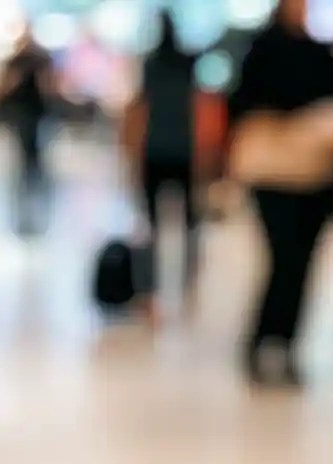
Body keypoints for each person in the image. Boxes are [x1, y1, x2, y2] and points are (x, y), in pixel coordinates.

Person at [227, 0, 333, 386]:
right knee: (282, 258)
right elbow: (242, 104)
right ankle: (263, 339)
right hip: (273, 174)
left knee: (303, 265)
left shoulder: (322, 54)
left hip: (314, 178)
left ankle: (288, 343)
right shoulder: (261, 49)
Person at [133, 14, 199, 319]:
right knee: (188, 225)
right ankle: (187, 285)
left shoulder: (151, 65)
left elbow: (140, 111)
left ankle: (150, 292)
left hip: (156, 151)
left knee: (152, 226)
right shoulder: (187, 65)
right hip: (183, 152)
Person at [0, 32, 55, 237]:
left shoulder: (39, 59)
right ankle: (28, 202)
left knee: (35, 160)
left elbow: (49, 86)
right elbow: (5, 88)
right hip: (23, 117)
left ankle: (37, 198)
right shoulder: (18, 61)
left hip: (36, 115)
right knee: (27, 160)